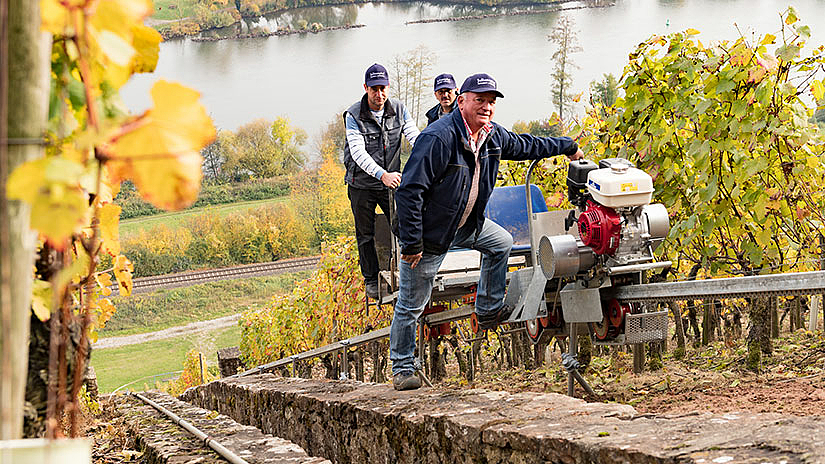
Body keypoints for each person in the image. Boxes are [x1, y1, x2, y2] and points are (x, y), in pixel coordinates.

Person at [389, 73, 584, 390]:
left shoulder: (492, 136)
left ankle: (489, 308)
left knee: (501, 243)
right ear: (461, 100)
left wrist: (566, 146)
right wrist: (411, 243)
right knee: (412, 303)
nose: (487, 107)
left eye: (491, 102)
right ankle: (402, 368)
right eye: (480, 99)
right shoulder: (438, 138)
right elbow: (409, 192)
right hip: (429, 236)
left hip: (466, 225)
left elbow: (527, 144)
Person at [343, 63, 420, 299]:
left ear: (389, 87)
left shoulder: (399, 108)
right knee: (365, 234)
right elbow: (357, 152)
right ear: (365, 88)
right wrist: (382, 174)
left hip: (391, 183)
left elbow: (414, 136)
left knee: (403, 225)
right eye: (374, 89)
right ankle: (371, 279)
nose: (379, 94)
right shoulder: (353, 115)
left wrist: (428, 156)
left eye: (383, 88)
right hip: (362, 185)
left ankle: (406, 270)